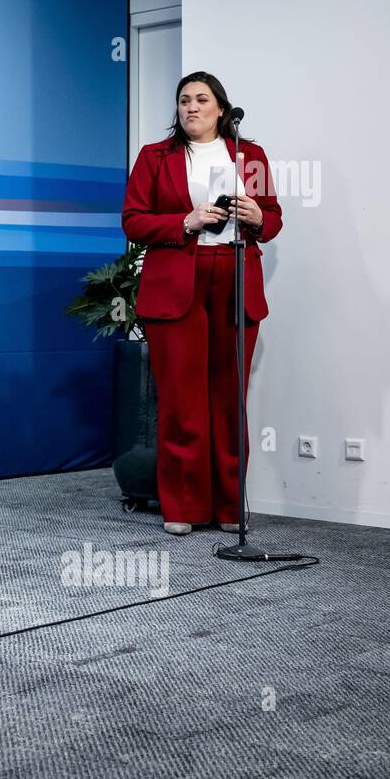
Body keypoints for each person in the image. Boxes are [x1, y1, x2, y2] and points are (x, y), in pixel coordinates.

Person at [121, 71, 283, 535]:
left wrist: (257, 216)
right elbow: (133, 221)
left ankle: (231, 507)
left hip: (235, 279)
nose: (191, 107)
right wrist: (185, 221)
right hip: (177, 283)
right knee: (181, 399)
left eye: (201, 100)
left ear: (220, 107)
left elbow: (272, 219)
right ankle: (184, 506)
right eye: (184, 100)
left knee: (229, 398)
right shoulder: (155, 157)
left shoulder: (248, 155)